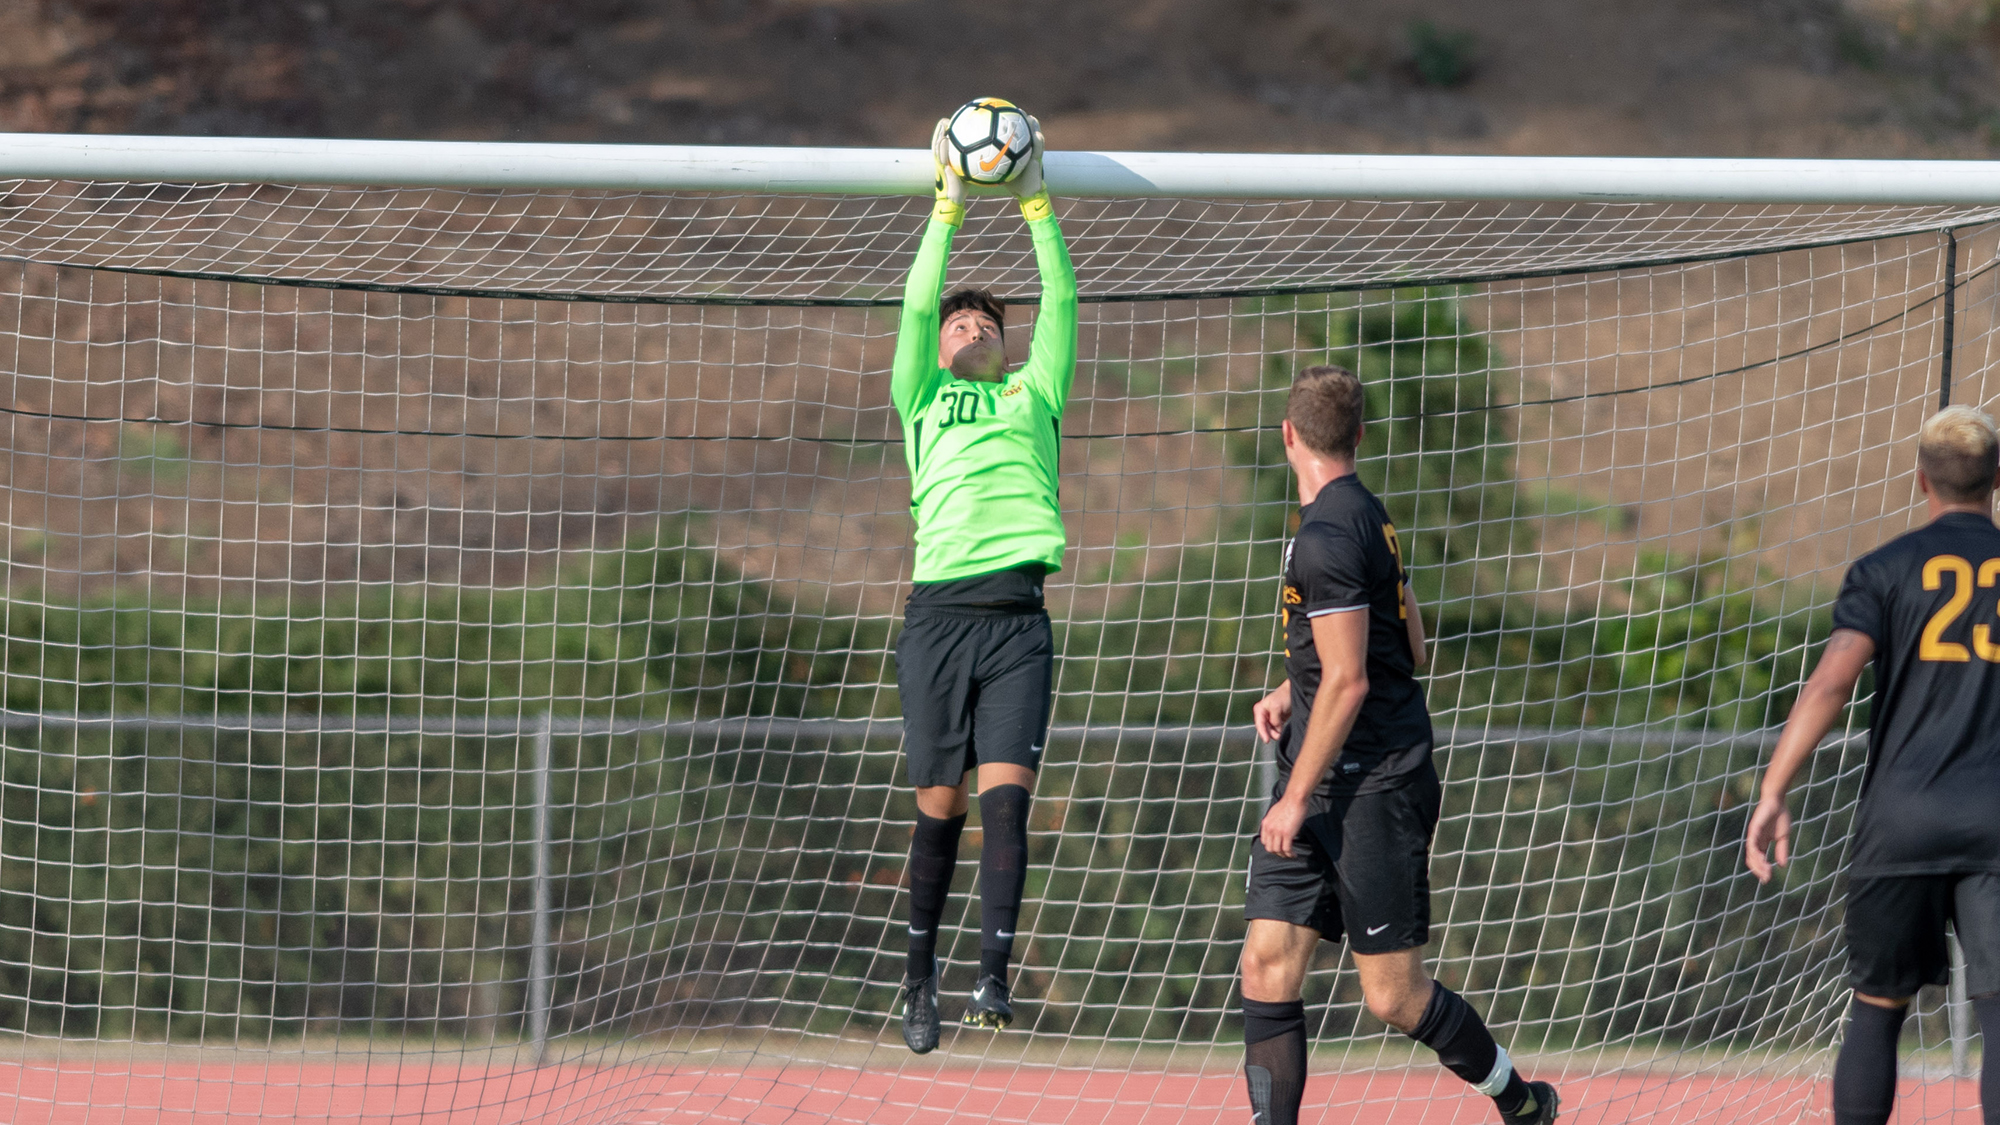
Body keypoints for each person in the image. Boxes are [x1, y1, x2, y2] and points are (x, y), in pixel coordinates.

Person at [1240, 365, 1558, 1125]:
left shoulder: (1325, 534)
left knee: (1393, 995)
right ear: (1358, 436)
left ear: (1287, 434)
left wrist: (1288, 794)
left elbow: (1353, 681)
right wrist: (1296, 685)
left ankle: (1520, 1101)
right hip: (1324, 774)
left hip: (1372, 785)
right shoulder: (1364, 514)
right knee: (1266, 961)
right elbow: (1408, 644)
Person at [1747, 405, 2000, 1125]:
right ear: (1999, 480)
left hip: (1901, 818)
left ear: (1920, 478)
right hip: (1996, 822)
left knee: (1878, 1008)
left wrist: (1773, 788)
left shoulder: (1885, 569)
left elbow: (1831, 682)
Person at [890, 109, 1075, 1055]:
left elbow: (1064, 302)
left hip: (1016, 621)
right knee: (940, 809)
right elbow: (919, 305)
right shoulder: (922, 393)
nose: (970, 326)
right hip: (937, 619)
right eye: (962, 320)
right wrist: (950, 206)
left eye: (986, 321)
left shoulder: (1032, 391)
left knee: (1008, 800)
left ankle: (992, 975)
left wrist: (1036, 203)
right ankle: (917, 981)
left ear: (1008, 343)